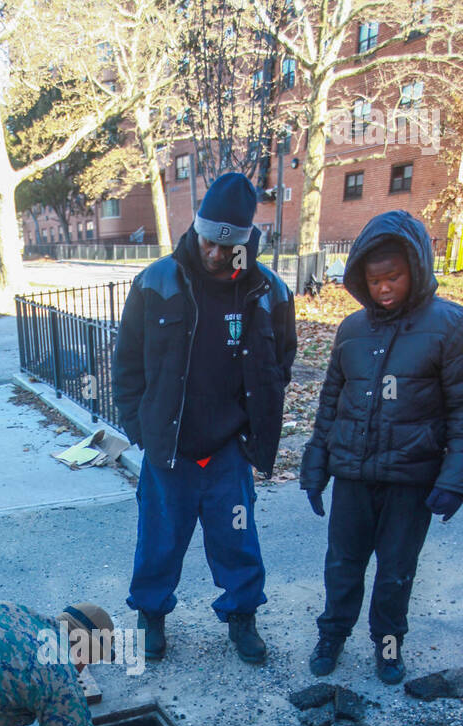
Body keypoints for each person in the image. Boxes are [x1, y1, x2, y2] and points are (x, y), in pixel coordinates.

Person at [113, 170, 296, 665]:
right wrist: (140, 426)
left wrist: (255, 427)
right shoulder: (155, 281)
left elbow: (282, 361)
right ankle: (151, 615)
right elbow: (127, 362)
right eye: (207, 241)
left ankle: (242, 617)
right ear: (196, 229)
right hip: (168, 448)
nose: (215, 254)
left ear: (246, 242)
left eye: (227, 246)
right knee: (158, 539)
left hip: (228, 450)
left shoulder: (269, 292)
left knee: (237, 539)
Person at [301, 210, 463, 684]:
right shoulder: (352, 329)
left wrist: (456, 480)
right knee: (342, 565)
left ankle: (388, 645)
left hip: (410, 479)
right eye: (374, 279)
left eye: (394, 277)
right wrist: (316, 462)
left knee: (396, 571)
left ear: (416, 269)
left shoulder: (452, 326)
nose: (384, 288)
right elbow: (331, 402)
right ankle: (332, 635)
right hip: (354, 476)